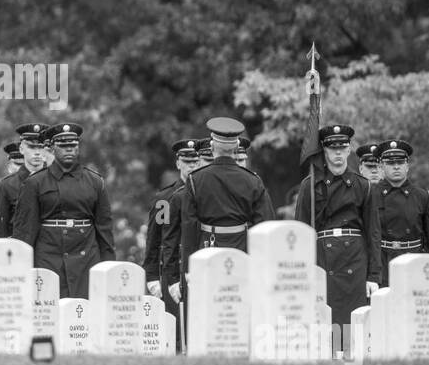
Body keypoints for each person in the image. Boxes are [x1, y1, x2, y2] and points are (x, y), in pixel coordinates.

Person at [293, 124, 381, 351]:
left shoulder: (363, 186)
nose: (338, 153)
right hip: (324, 259)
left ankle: (353, 364)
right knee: (327, 324)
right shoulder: (310, 186)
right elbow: (301, 231)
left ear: (350, 150)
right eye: (333, 149)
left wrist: (373, 275)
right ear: (324, 151)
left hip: (354, 259)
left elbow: (372, 232)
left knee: (353, 325)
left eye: (343, 148)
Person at [12, 122, 115, 299]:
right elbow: (25, 232)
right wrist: (21, 270)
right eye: (63, 146)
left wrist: (108, 268)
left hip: (86, 258)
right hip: (49, 258)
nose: (69, 150)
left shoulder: (95, 182)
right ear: (52, 148)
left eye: (73, 145)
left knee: (85, 314)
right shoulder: (35, 183)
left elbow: (104, 230)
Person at [179, 117, 274, 273]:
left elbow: (189, 228)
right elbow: (265, 224)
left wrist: (188, 269)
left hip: (207, 251)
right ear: (237, 146)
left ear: (211, 145)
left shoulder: (195, 179)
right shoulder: (253, 180)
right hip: (244, 252)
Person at [145, 138, 201, 350]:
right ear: (178, 163)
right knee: (174, 329)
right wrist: (151, 275)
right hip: (171, 269)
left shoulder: (205, 194)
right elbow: (155, 237)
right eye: (187, 162)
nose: (192, 166)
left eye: (196, 162)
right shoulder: (165, 198)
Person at [374, 138, 429, 285]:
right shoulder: (370, 195)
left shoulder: (423, 197)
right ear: (381, 166)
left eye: (400, 163)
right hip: (382, 262)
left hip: (414, 262)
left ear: (407, 166)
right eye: (391, 163)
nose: (396, 167)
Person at [0, 121, 49, 238]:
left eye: (41, 147)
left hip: (49, 251)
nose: (37, 152)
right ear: (21, 149)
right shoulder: (6, 185)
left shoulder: (57, 180)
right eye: (31, 147)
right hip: (19, 249)